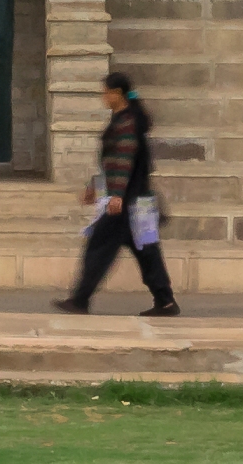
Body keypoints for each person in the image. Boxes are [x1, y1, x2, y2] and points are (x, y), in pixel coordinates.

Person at [58, 73, 184, 317]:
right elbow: (112, 161)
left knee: (99, 246)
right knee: (147, 251)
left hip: (126, 203)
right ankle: (165, 301)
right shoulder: (127, 119)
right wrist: (96, 185)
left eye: (106, 92)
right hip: (138, 200)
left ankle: (80, 299)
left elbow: (123, 160)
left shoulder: (127, 122)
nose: (103, 97)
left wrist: (116, 195)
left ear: (117, 93)